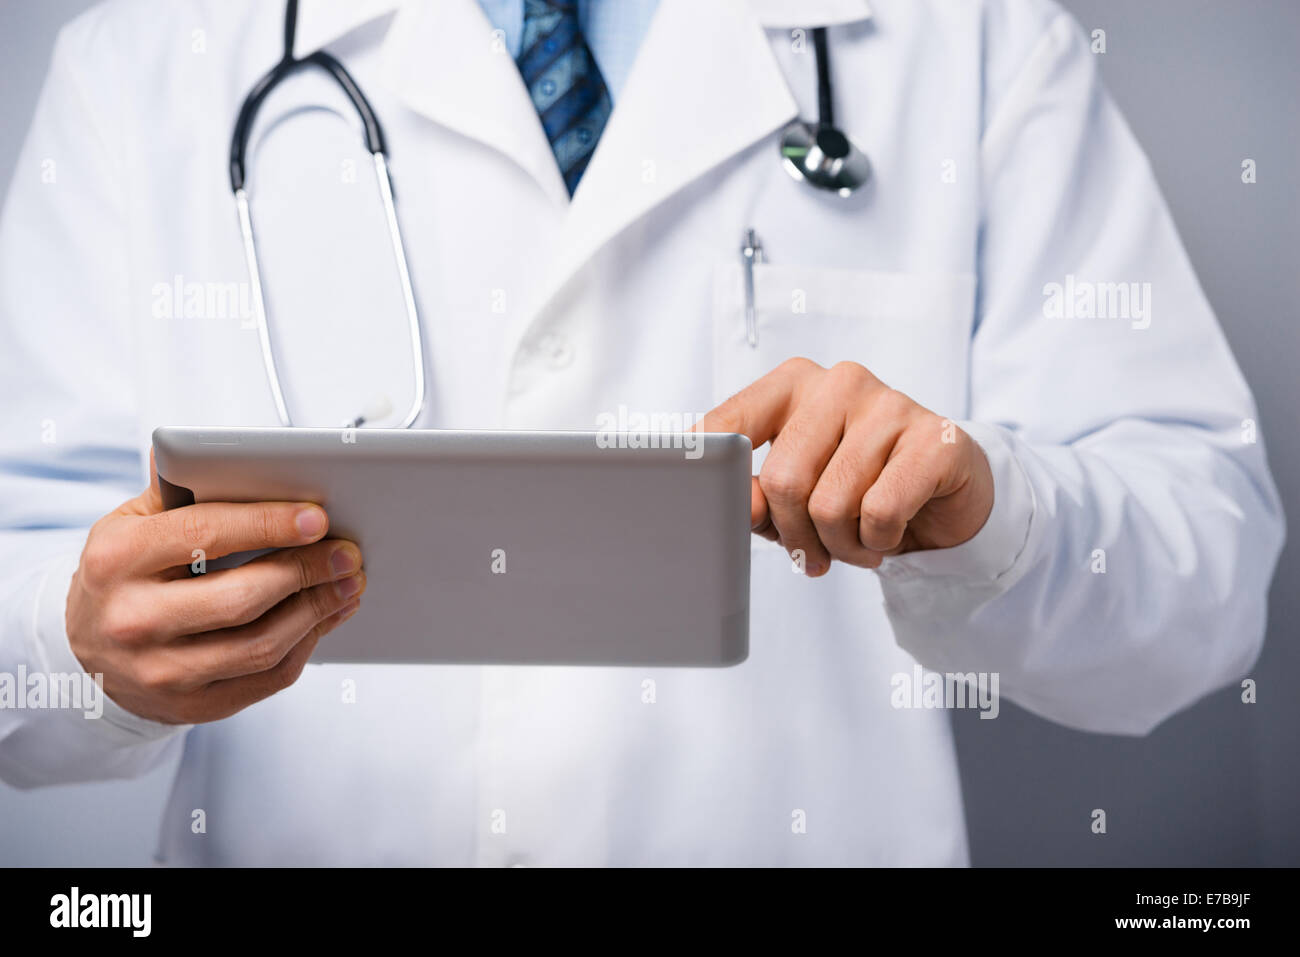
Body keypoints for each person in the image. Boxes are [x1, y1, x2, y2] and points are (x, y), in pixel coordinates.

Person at [0, 0, 1283, 866]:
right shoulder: (147, 54)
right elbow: (17, 611)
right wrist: (83, 638)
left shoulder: (970, 39)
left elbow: (1204, 584)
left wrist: (990, 510)